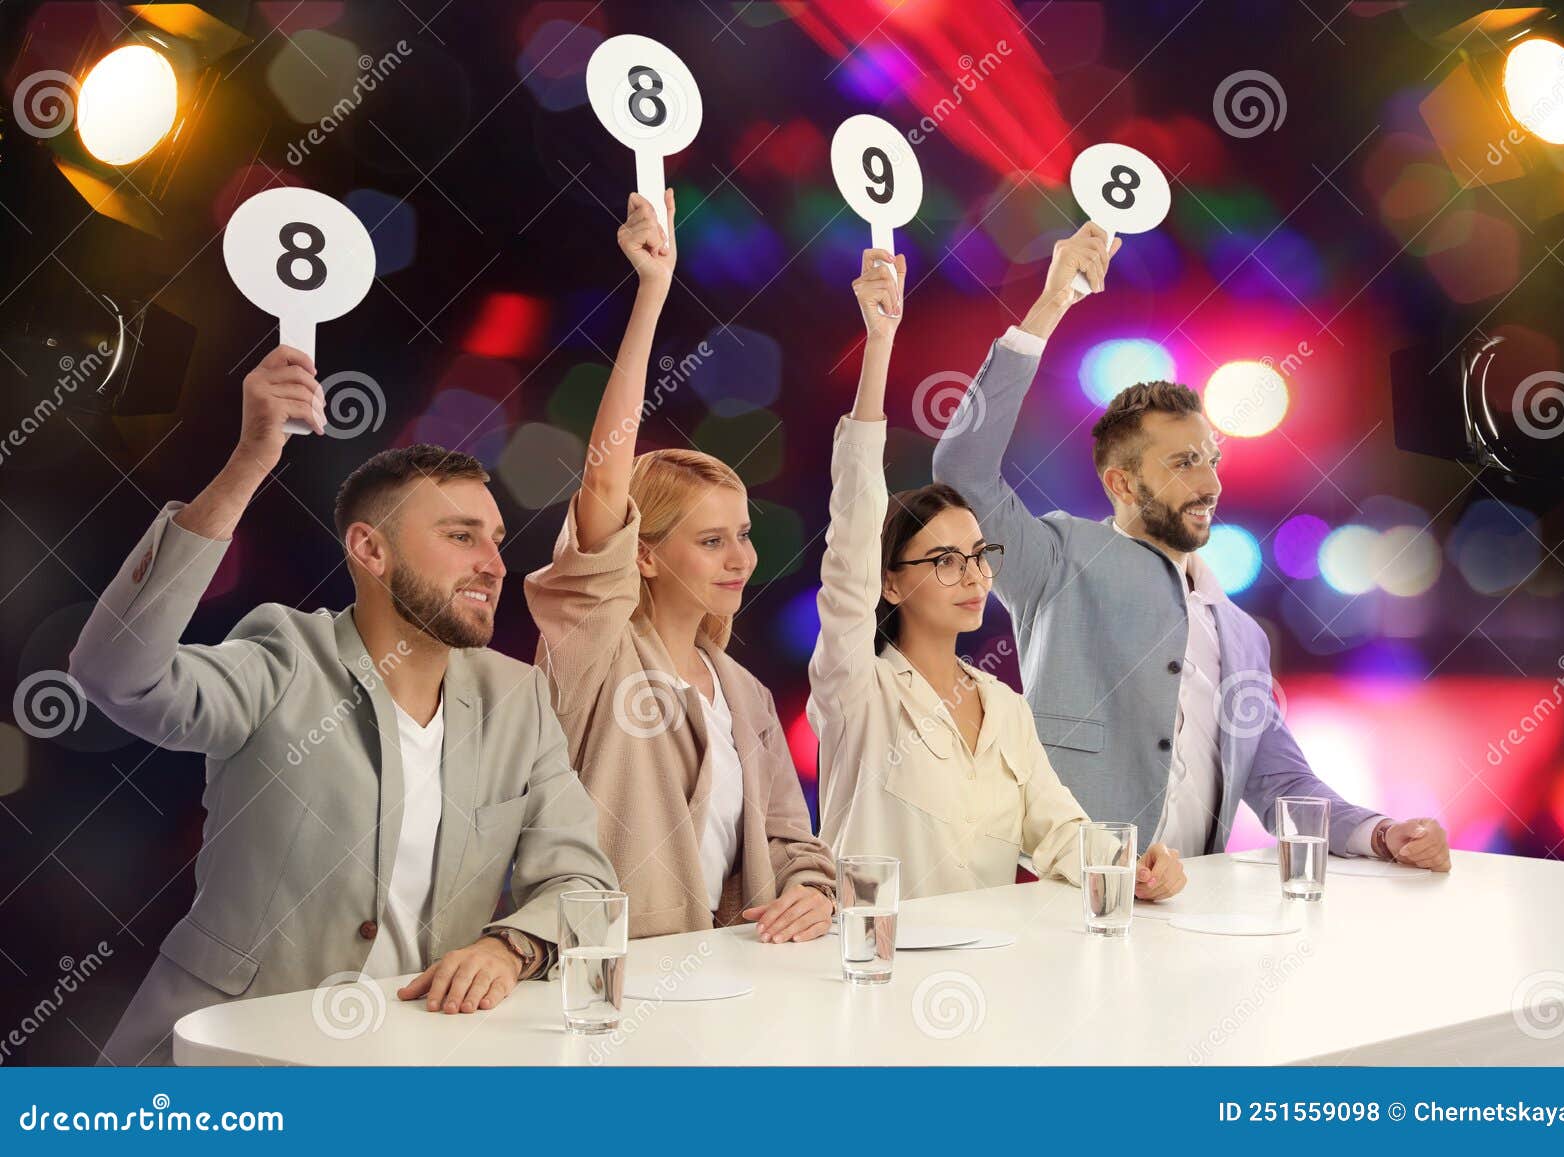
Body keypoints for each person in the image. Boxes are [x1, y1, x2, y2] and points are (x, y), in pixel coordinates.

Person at [68, 347, 617, 1066]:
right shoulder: (283, 656)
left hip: (412, 1058)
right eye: (460, 536)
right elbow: (116, 676)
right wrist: (249, 463)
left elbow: (586, 884)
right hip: (228, 1060)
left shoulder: (517, 697)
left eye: (495, 540)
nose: (492, 563)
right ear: (370, 550)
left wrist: (508, 947)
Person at [931, 224, 1451, 870]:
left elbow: (1282, 784)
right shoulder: (1058, 560)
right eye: (1183, 463)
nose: (1210, 483)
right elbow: (963, 468)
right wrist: (1051, 304)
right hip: (1067, 900)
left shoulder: (1243, 635)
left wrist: (1380, 833)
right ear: (1122, 483)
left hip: (1191, 914)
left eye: (1210, 459)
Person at [808, 248, 1187, 903]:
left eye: (979, 555)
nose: (973, 576)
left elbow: (1060, 833)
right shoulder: (857, 690)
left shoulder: (1006, 707)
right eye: (944, 560)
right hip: (873, 955)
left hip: (988, 961)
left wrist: (1135, 865)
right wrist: (880, 344)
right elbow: (852, 535)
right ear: (889, 582)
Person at [525, 191, 836, 943]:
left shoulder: (746, 693)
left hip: (725, 983)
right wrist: (652, 293)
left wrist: (811, 891)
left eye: (743, 535)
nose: (741, 559)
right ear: (642, 553)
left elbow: (790, 843)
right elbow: (605, 475)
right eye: (711, 540)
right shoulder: (594, 649)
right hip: (602, 979)